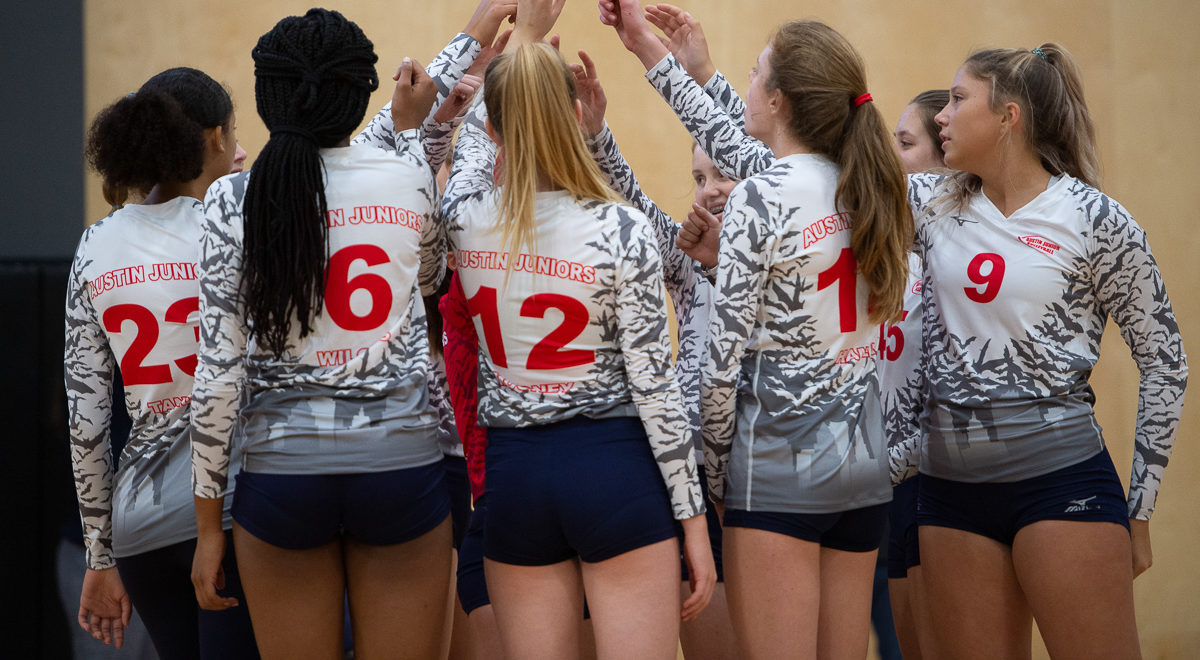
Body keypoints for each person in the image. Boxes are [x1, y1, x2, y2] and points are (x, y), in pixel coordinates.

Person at [603, 5, 912, 658]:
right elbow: (722, 134)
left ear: (778, 99)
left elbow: (720, 369)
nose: (741, 85)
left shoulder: (761, 194)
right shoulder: (866, 180)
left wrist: (714, 480)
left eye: (753, 73)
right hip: (861, 475)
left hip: (775, 472)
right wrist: (644, 46)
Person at [438, 1, 714, 657]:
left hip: (514, 477)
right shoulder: (620, 227)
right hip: (613, 467)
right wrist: (694, 524)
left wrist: (516, 46)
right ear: (574, 115)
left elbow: (469, 144)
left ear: (497, 127)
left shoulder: (464, 217)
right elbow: (656, 390)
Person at [189, 9, 453, 658]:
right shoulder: (409, 175)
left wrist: (208, 528)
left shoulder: (231, 198)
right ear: (360, 95)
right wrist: (409, 133)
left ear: (268, 98)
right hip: (398, 466)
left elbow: (218, 374)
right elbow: (430, 277)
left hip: (282, 477)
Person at [909, 44, 1187, 659]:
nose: (941, 116)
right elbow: (803, 184)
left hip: (1060, 484)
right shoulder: (928, 201)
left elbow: (1165, 363)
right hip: (950, 491)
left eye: (958, 99)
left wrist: (1141, 509)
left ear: (1008, 116)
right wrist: (697, 79)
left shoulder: (1096, 220)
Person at [66, 67, 258, 659]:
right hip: (228, 508)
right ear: (216, 138)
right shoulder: (237, 223)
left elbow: (86, 422)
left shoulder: (94, 245)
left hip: (138, 523)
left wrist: (99, 555)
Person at [574, 48, 737, 659]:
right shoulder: (687, 256)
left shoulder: (796, 257)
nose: (709, 191)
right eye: (698, 178)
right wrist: (597, 135)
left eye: (723, 174)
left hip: (767, 485)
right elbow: (634, 204)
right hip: (697, 484)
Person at [881, 89, 949, 660]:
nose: (890, 156)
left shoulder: (949, 263)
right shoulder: (889, 255)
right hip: (885, 493)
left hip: (934, 484)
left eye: (905, 143)